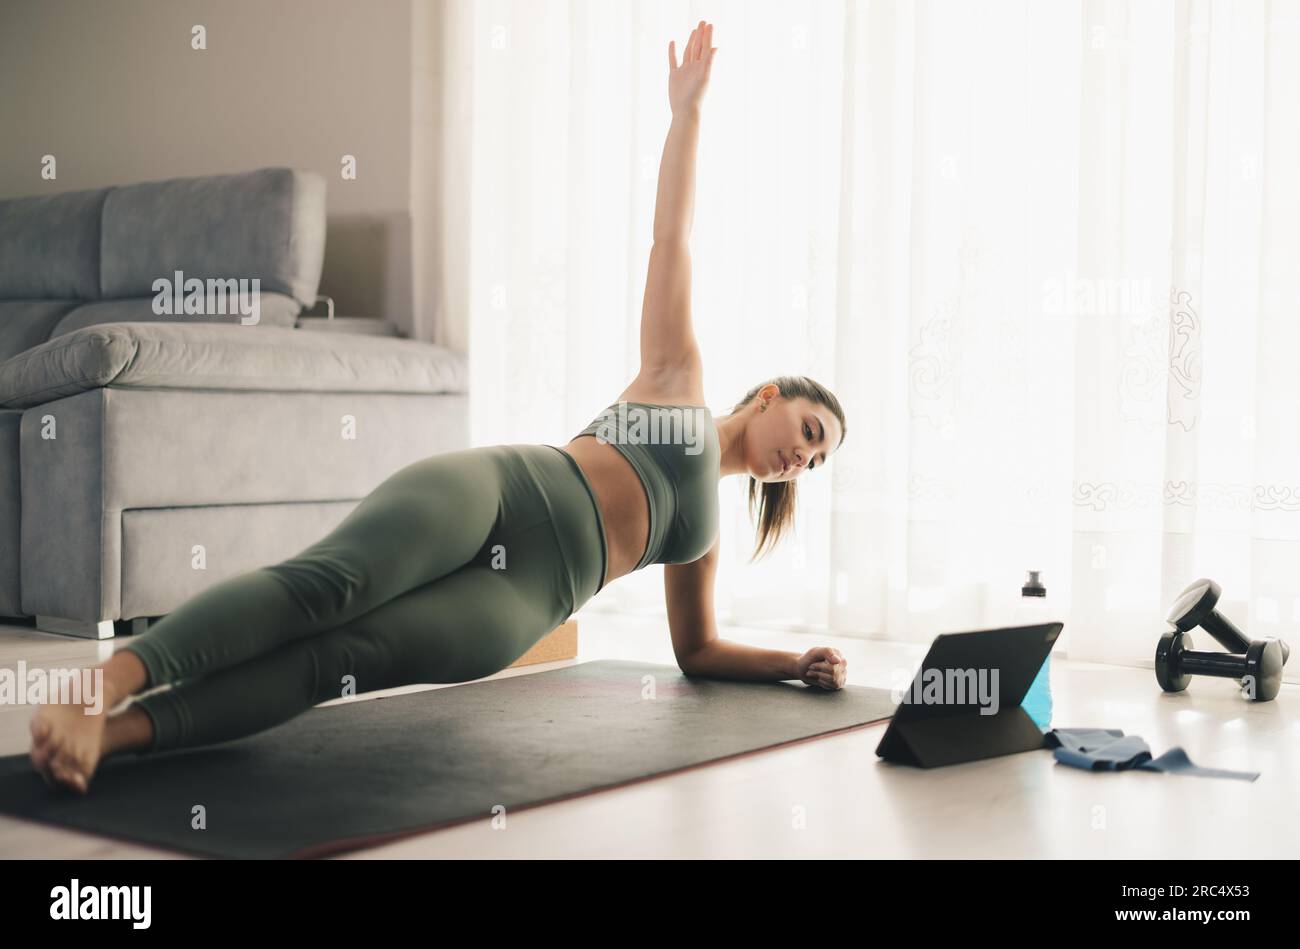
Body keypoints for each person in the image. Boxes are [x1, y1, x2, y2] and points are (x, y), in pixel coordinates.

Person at [29, 20, 847, 795]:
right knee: (328, 586)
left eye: (815, 462)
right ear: (771, 395)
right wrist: (686, 113)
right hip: (511, 487)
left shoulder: (703, 534)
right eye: (809, 433)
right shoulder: (678, 374)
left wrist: (790, 660)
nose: (801, 459)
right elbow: (674, 238)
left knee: (333, 660)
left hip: (529, 595)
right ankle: (100, 686)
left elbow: (697, 650)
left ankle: (117, 736)